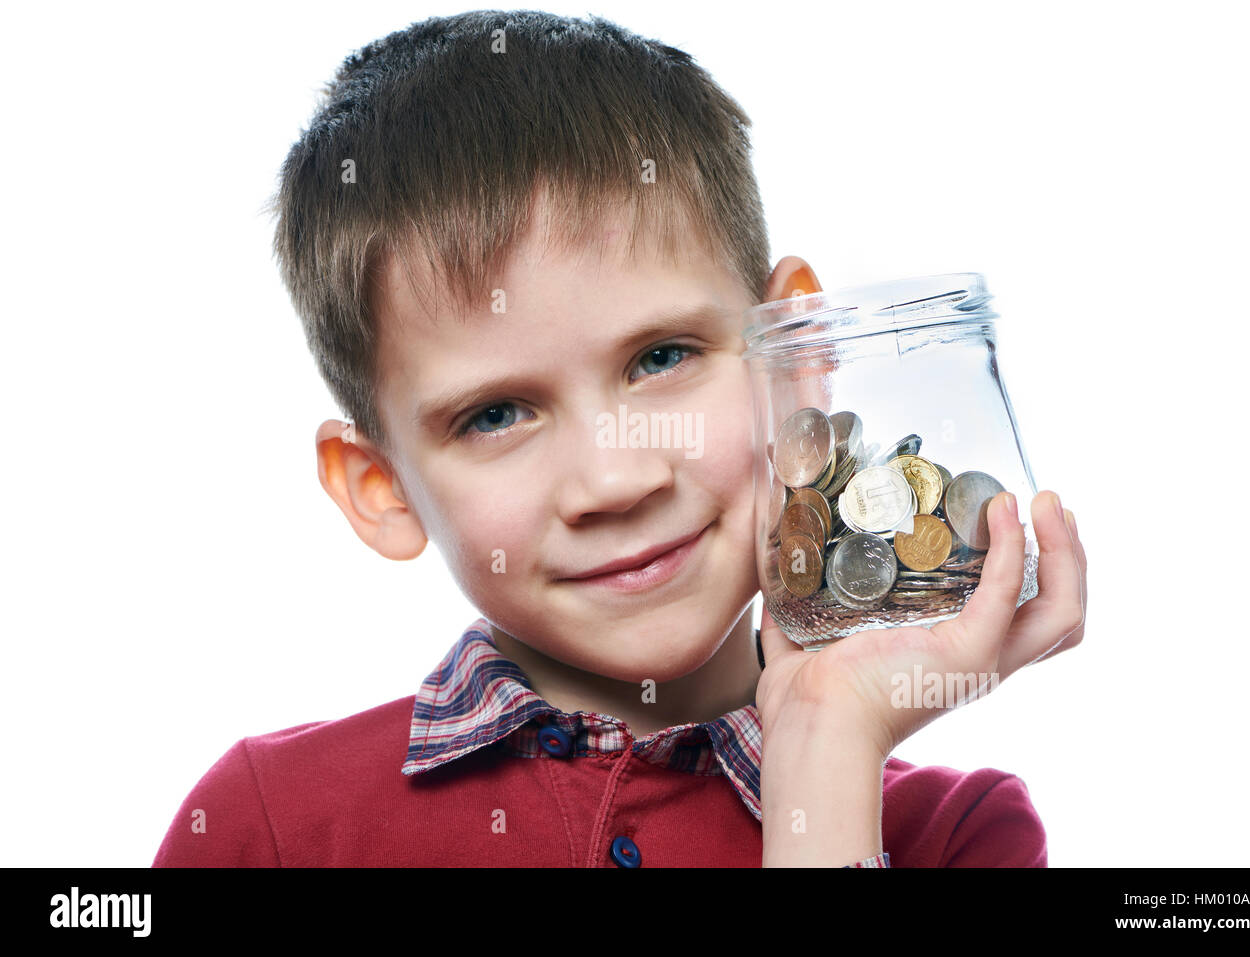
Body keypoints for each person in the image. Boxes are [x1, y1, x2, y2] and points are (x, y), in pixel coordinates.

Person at [153, 10, 1087, 868]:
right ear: (381, 487)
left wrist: (825, 752)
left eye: (661, 357)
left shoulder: (959, 841)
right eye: (495, 415)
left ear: (795, 356)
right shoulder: (269, 831)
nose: (615, 478)